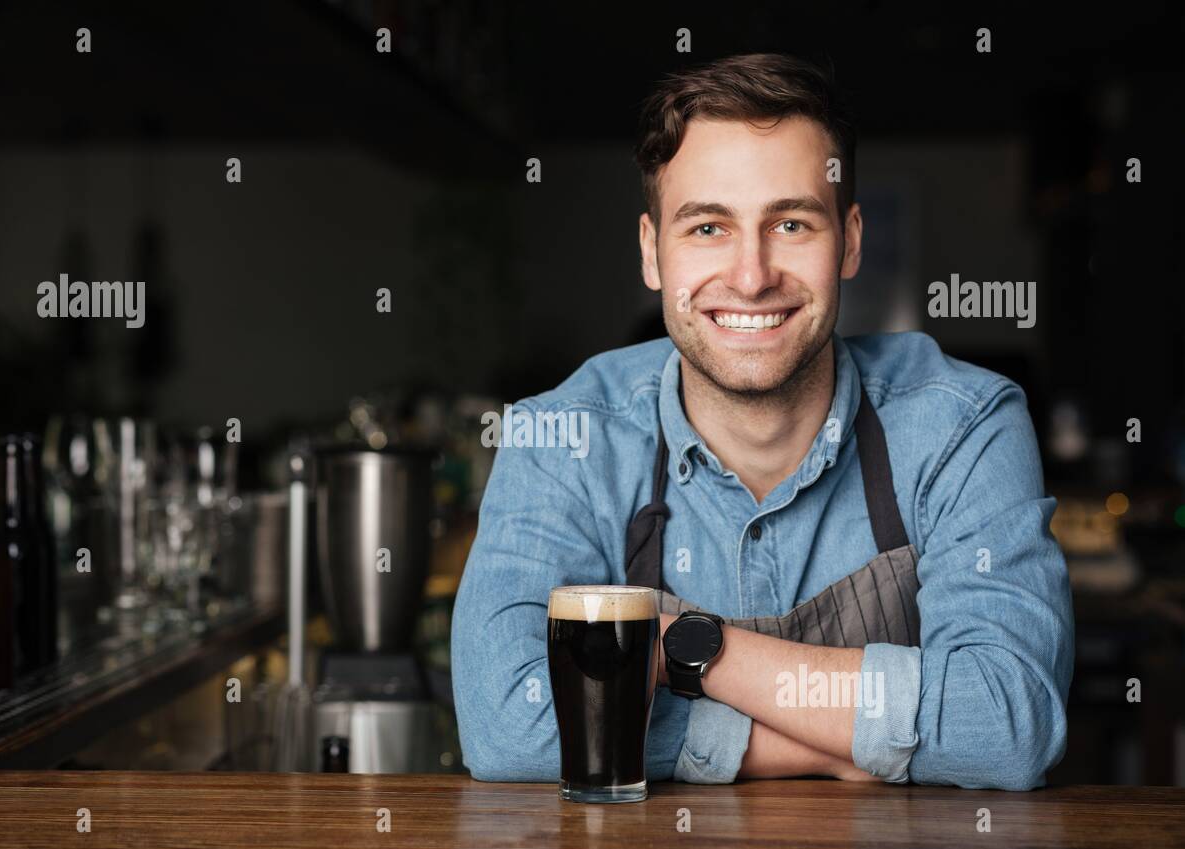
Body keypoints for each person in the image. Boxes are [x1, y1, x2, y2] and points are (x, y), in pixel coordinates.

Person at [451, 53, 1073, 789]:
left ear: (851, 239)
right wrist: (827, 746)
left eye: (790, 222)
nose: (751, 276)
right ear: (653, 253)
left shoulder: (964, 426)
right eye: (709, 227)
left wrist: (692, 651)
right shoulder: (559, 436)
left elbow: (1007, 721)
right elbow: (505, 722)